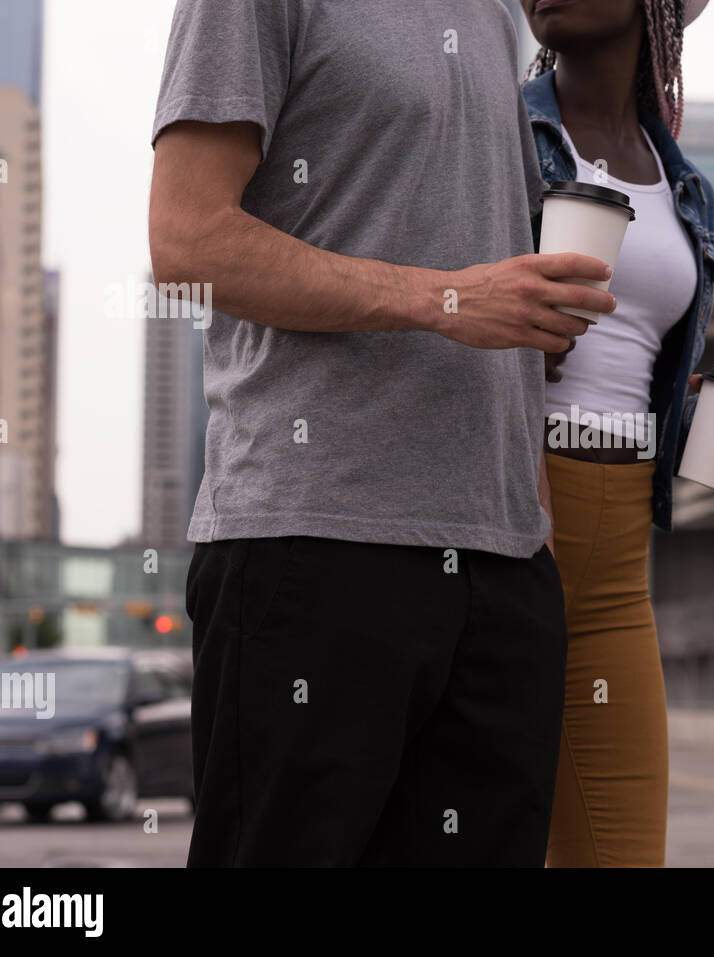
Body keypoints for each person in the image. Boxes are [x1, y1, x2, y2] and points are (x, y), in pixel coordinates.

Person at [149, 0, 617, 867]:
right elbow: (185, 242)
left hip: (503, 568)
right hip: (316, 539)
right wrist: (444, 299)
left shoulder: (491, 15)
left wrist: (535, 524)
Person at [519, 0, 714, 867]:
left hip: (618, 567)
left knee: (620, 852)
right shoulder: (501, 138)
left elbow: (638, 375)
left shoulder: (685, 188)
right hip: (504, 533)